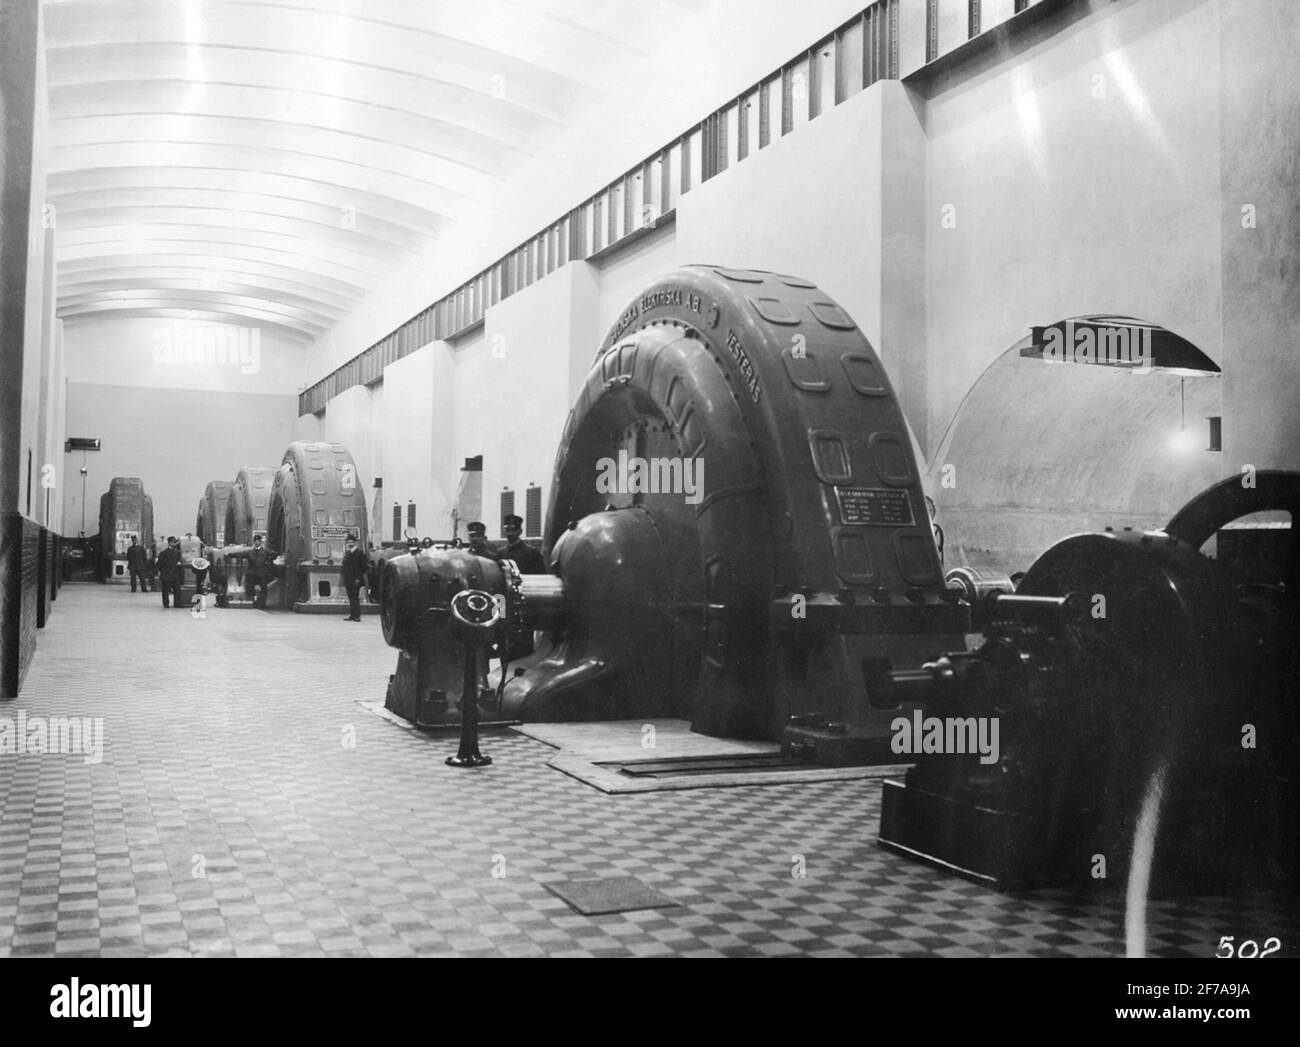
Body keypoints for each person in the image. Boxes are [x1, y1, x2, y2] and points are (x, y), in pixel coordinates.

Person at [341, 534, 368, 622]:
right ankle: (352, 615)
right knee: (351, 597)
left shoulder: (359, 553)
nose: (350, 543)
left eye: (351, 542)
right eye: (348, 542)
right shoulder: (348, 553)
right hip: (348, 579)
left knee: (355, 597)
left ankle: (357, 616)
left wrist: (358, 578)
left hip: (356, 579)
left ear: (355, 543)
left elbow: (363, 566)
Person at [155, 536, 184, 609]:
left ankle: (177, 603)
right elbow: (159, 564)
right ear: (169, 543)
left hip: (174, 574)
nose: (173, 544)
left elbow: (180, 563)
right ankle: (166, 603)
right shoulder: (164, 553)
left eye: (174, 542)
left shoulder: (177, 552)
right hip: (167, 574)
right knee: (165, 590)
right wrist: (163, 570)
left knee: (177, 590)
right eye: (172, 542)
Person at [245, 534, 271, 609]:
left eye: (258, 541)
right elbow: (241, 554)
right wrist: (229, 554)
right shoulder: (250, 552)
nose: (257, 543)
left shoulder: (265, 551)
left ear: (260, 542)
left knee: (263, 589)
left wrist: (269, 561)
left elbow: (273, 554)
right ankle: (253, 603)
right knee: (251, 588)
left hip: (262, 573)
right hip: (253, 573)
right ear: (254, 542)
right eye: (256, 541)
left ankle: (262, 604)